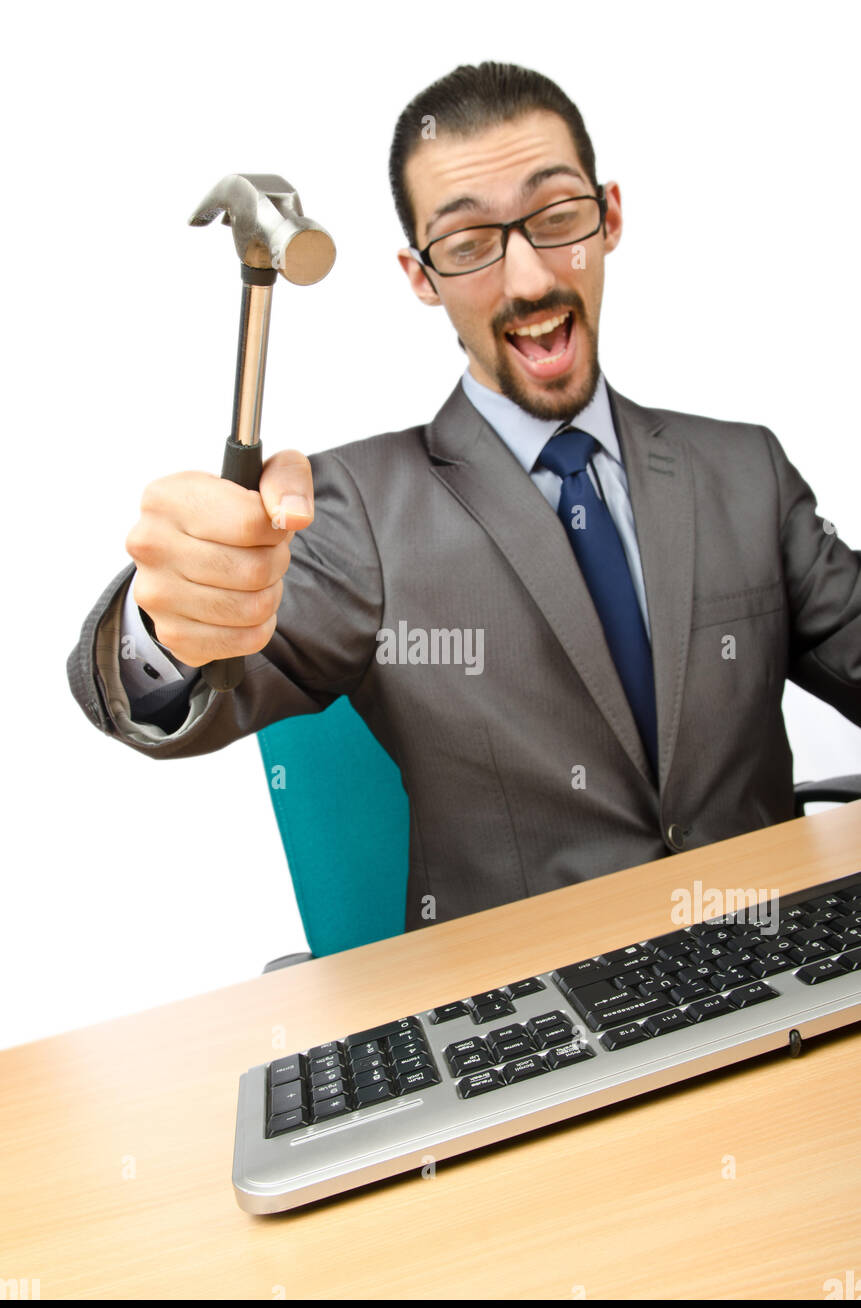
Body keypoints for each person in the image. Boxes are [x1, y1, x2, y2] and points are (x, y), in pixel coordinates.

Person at [67, 61, 861, 933]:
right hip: (532, 1013)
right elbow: (184, 689)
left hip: (774, 965)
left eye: (557, 218)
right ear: (419, 274)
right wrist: (167, 625)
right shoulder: (354, 511)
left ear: (611, 217)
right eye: (468, 243)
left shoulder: (743, 468)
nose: (525, 281)